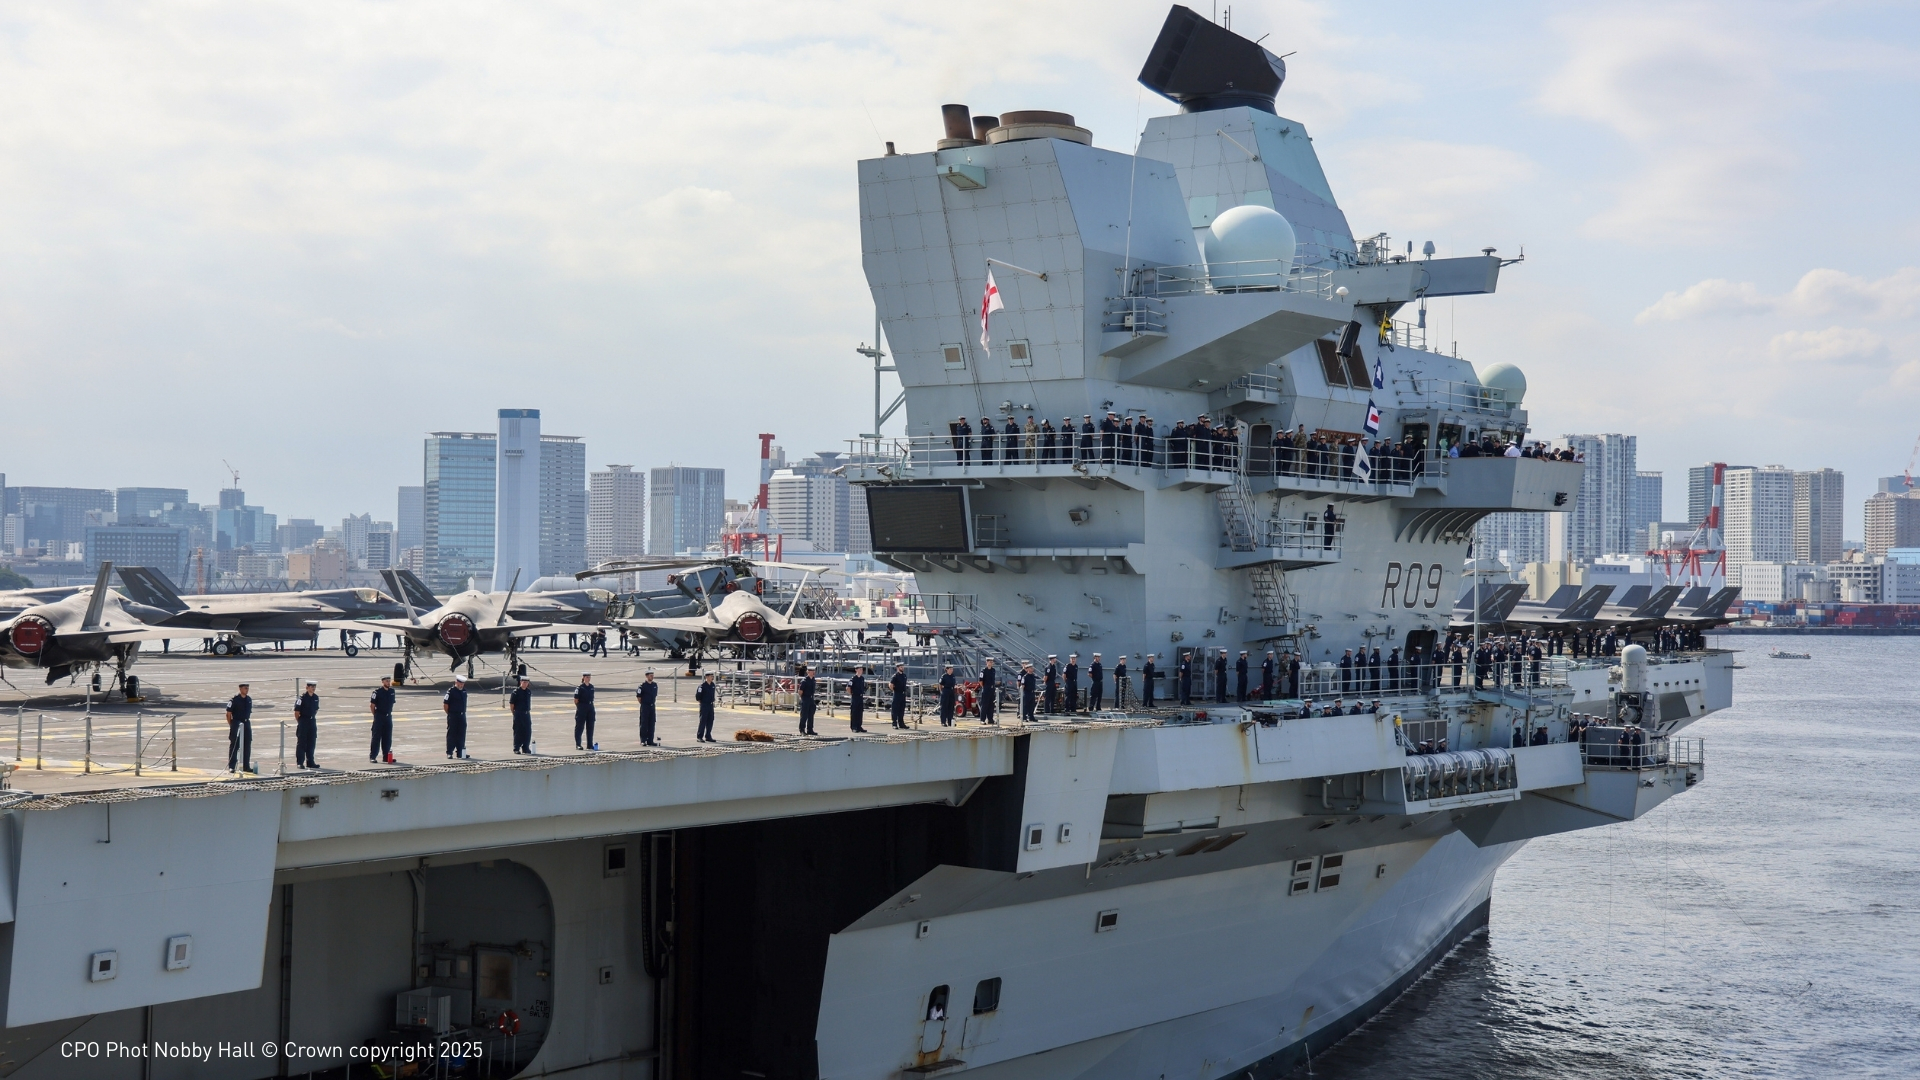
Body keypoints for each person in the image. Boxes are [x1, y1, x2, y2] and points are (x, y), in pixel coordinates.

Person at [225, 682, 255, 773]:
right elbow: (228, 714)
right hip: (237, 723)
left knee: (247, 745)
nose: (247, 690)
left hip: (246, 723)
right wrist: (232, 725)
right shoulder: (234, 700)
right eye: (245, 688)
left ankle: (246, 766)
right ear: (240, 689)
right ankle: (232, 766)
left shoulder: (249, 699)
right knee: (234, 745)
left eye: (247, 688)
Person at [292, 680, 320, 769]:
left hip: (312, 721)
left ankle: (310, 762)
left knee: (311, 742)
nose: (313, 689)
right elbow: (296, 712)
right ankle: (300, 762)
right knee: (302, 743)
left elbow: (316, 710)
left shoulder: (316, 697)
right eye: (312, 687)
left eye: (314, 687)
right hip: (303, 721)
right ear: (307, 688)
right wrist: (301, 722)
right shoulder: (301, 699)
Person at [369, 674, 396, 763]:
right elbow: (372, 705)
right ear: (383, 682)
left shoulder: (392, 691)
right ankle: (373, 756)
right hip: (379, 716)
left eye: (389, 681)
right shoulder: (377, 692)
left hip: (388, 716)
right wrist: (376, 716)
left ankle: (386, 756)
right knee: (376, 737)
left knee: (387, 737)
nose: (388, 682)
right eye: (386, 681)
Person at [443, 674, 469, 759]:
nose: (461, 685)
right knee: (452, 734)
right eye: (460, 683)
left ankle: (460, 752)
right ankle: (449, 752)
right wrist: (450, 713)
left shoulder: (464, 691)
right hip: (453, 715)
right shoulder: (451, 691)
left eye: (462, 684)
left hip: (462, 715)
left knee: (461, 734)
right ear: (456, 682)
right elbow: (445, 704)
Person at [509, 676, 534, 753]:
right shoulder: (515, 692)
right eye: (524, 682)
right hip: (518, 713)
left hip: (526, 713)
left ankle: (525, 747)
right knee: (518, 731)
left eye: (526, 682)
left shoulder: (528, 691)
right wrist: (514, 713)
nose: (525, 684)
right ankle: (516, 748)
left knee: (527, 731)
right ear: (520, 682)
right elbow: (512, 704)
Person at [573, 673, 598, 750]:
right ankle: (578, 744)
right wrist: (580, 707)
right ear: (583, 678)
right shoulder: (580, 688)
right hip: (582, 707)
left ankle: (589, 744)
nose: (588, 678)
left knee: (590, 726)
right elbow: (576, 700)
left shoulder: (591, 687)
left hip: (590, 707)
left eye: (589, 677)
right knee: (580, 726)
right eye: (587, 677)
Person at [637, 671, 659, 745]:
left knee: (652, 723)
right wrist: (644, 704)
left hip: (652, 706)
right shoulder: (642, 686)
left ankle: (650, 740)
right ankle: (643, 740)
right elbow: (639, 697)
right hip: (645, 706)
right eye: (650, 676)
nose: (652, 677)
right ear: (646, 676)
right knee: (644, 723)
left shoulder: (655, 685)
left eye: (652, 675)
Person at [695, 673, 717, 742]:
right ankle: (699, 736)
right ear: (706, 677)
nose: (712, 678)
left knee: (710, 720)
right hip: (704, 705)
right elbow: (698, 696)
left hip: (710, 705)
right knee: (703, 721)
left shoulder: (712, 685)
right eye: (711, 676)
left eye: (712, 676)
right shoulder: (702, 686)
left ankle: (708, 735)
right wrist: (702, 703)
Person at [798, 666, 818, 735]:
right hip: (805, 698)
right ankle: (802, 730)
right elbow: (800, 691)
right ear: (808, 672)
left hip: (811, 698)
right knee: (804, 715)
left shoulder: (813, 680)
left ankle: (810, 729)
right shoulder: (804, 681)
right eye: (812, 671)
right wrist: (803, 699)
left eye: (814, 671)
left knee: (811, 715)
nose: (813, 672)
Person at [979, 658, 998, 724]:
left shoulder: (993, 670)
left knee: (991, 705)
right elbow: (981, 681)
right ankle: (982, 719)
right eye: (989, 662)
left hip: (992, 689)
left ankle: (990, 719)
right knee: (984, 705)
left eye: (992, 662)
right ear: (986, 662)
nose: (991, 663)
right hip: (986, 688)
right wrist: (984, 687)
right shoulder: (983, 671)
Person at [848, 665, 868, 733]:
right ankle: (854, 727)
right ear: (856, 670)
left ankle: (859, 726)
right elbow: (848, 688)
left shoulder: (862, 678)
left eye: (862, 669)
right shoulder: (853, 679)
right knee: (854, 712)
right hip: (855, 696)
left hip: (860, 697)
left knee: (860, 712)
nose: (861, 671)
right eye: (859, 669)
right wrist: (852, 694)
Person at [890, 663, 909, 729]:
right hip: (897, 693)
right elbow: (891, 685)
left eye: (903, 667)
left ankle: (901, 723)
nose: (902, 668)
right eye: (901, 667)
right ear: (898, 668)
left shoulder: (904, 676)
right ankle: (894, 723)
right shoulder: (895, 676)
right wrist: (894, 690)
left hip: (903, 694)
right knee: (895, 709)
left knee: (902, 709)